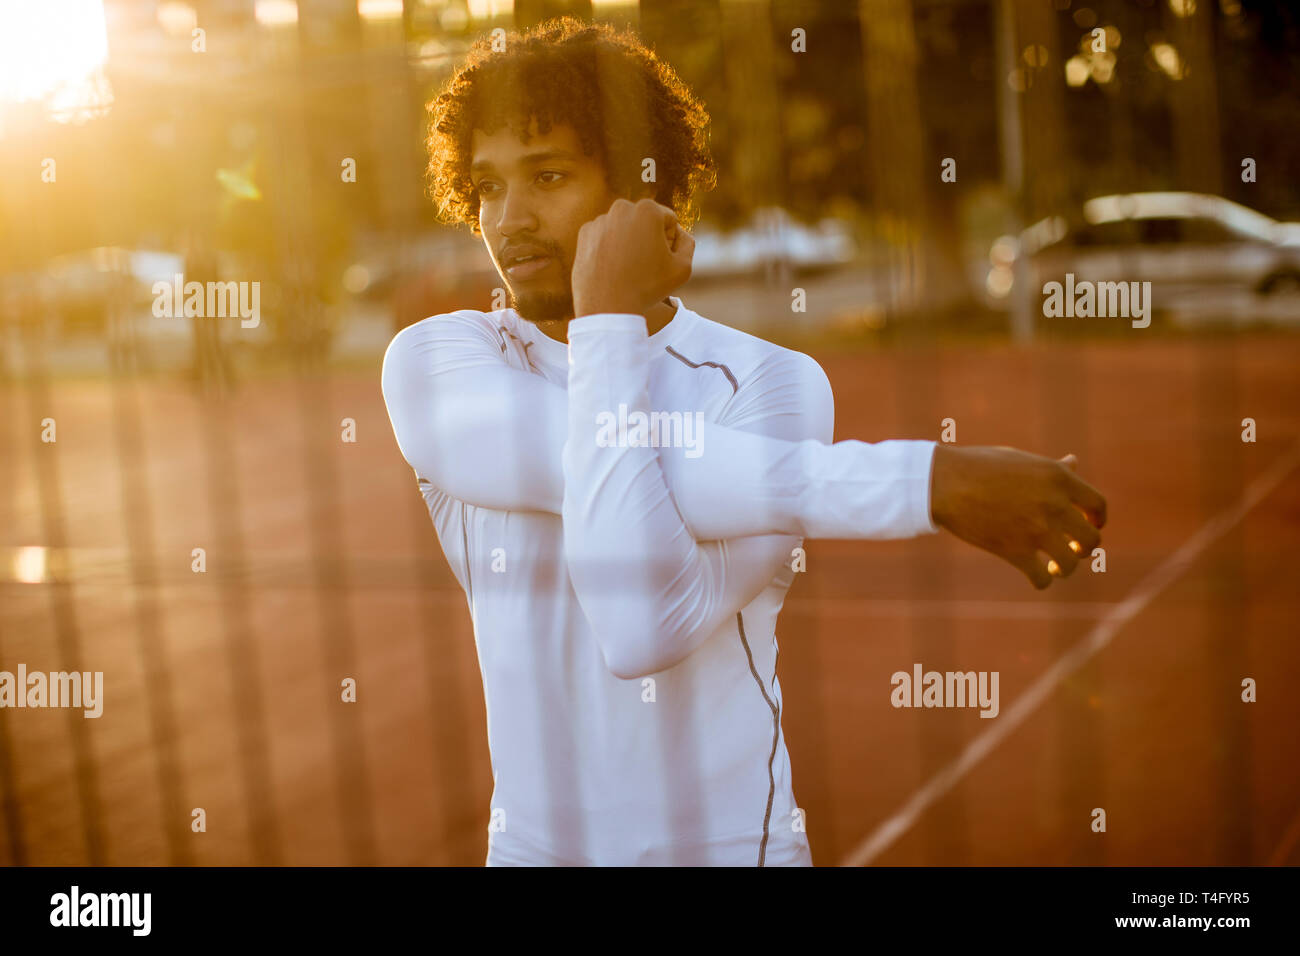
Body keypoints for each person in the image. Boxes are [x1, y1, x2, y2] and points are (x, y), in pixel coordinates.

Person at [381, 17, 1106, 866]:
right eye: (487, 187)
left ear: (642, 192)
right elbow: (645, 464)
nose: (508, 220)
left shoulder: (771, 381)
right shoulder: (443, 361)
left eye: (547, 176)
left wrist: (605, 321)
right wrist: (924, 482)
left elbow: (640, 626)